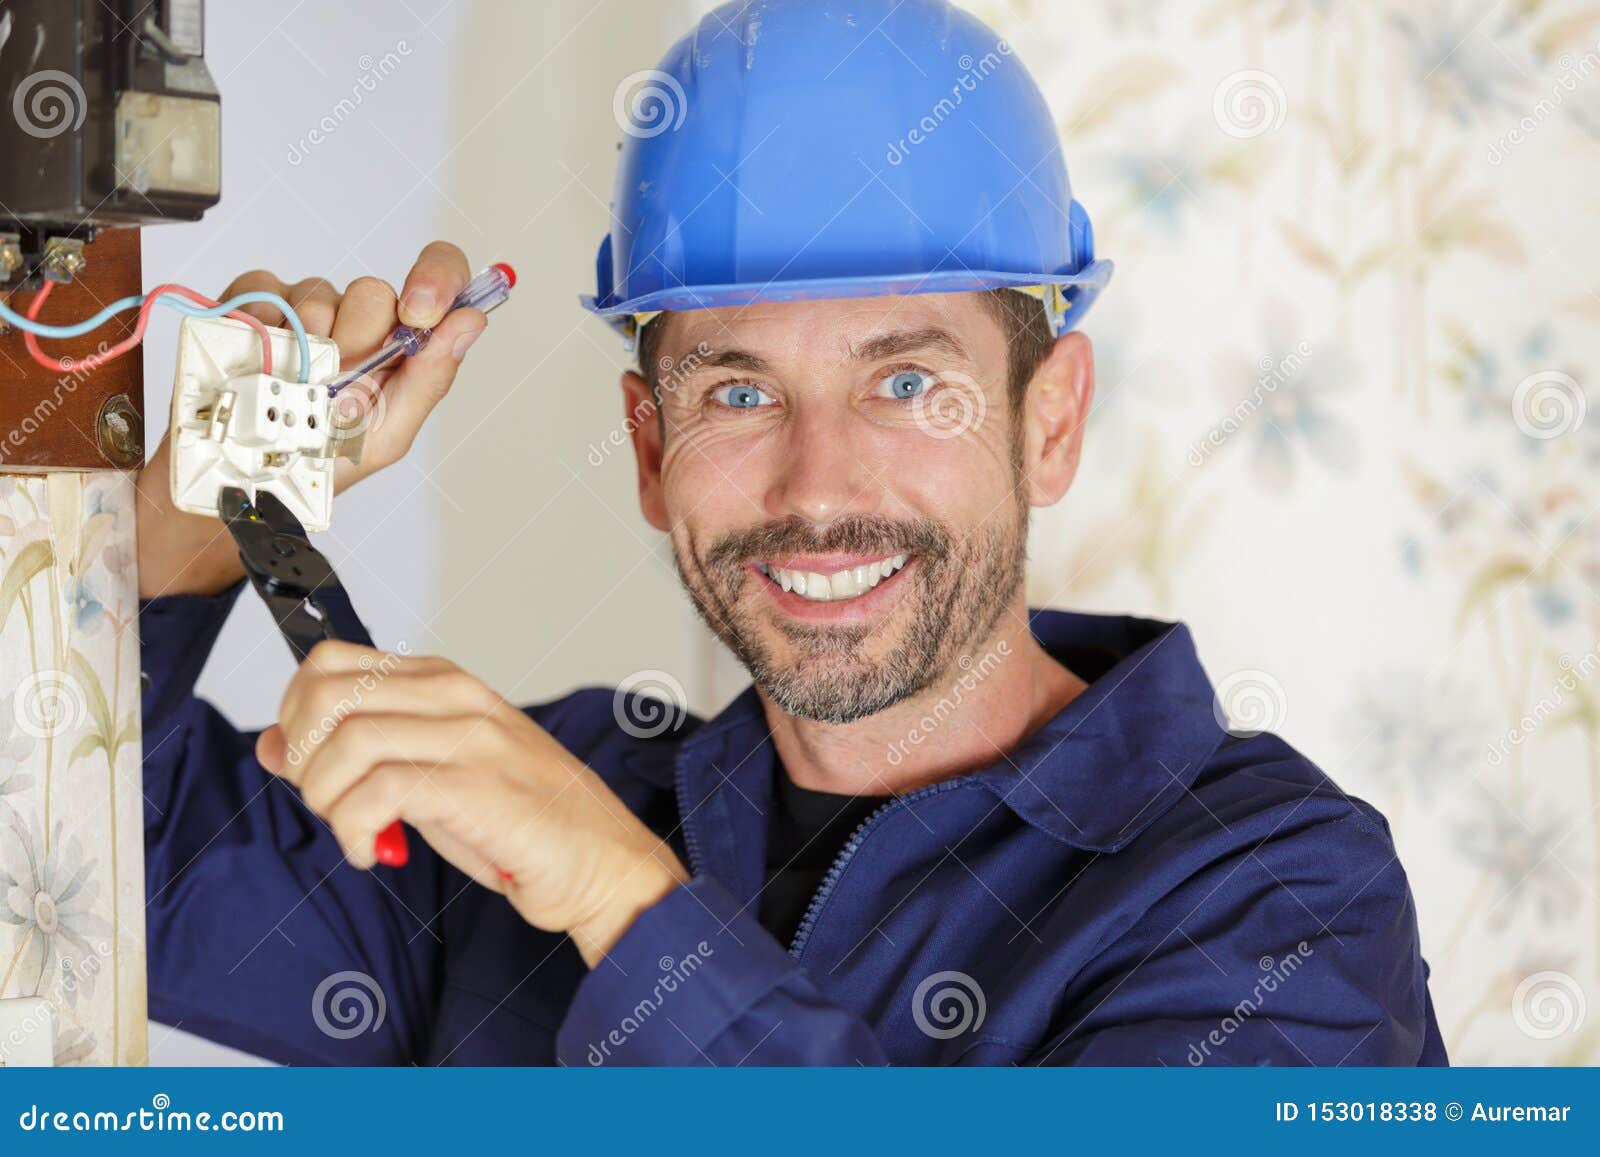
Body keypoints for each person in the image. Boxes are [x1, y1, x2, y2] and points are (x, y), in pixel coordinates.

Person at [137, 0, 1446, 1065]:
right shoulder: (544, 799)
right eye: (740, 390)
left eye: (905, 381)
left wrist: (624, 907)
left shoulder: (1276, 896)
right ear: (651, 449)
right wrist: (213, 498)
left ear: (1048, 423)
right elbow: (63, 855)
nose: (818, 485)